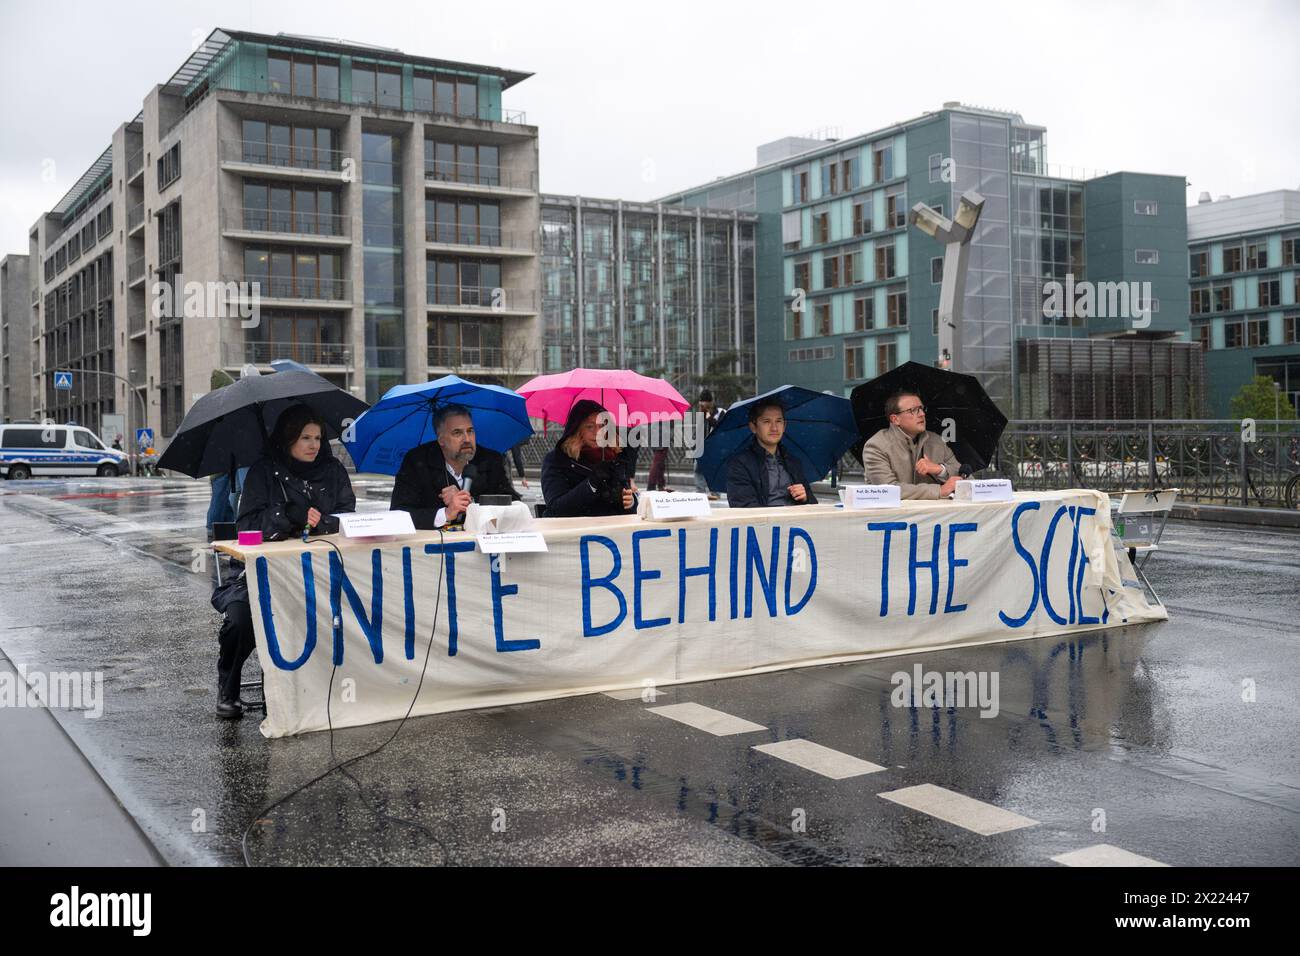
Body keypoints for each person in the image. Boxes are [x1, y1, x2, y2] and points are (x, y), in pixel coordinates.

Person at [211, 404, 356, 720]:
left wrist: (323, 523)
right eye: (305, 437)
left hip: (318, 570)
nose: (314, 445)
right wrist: (284, 516)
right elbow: (246, 528)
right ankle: (229, 683)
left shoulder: (333, 472)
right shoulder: (264, 472)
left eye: (318, 438)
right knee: (241, 619)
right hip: (262, 570)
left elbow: (348, 518)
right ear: (289, 438)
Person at [390, 404, 521, 530]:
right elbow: (398, 514)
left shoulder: (490, 460)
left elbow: (515, 506)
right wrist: (445, 513)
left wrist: (471, 504)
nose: (467, 439)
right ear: (441, 440)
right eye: (457, 433)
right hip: (433, 548)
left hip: (480, 547)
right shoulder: (417, 461)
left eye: (470, 431)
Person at [541, 399, 639, 517]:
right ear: (578, 429)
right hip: (573, 531)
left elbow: (628, 510)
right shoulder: (557, 459)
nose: (598, 432)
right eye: (589, 427)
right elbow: (556, 508)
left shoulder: (615, 456)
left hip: (609, 531)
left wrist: (630, 502)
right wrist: (591, 483)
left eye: (602, 426)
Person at [862, 390, 962, 499]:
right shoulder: (876, 446)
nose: (922, 414)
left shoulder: (937, 441)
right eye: (913, 410)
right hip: (893, 515)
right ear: (895, 419)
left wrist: (940, 470)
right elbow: (888, 490)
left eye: (921, 409)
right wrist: (939, 491)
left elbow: (966, 479)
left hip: (936, 514)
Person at [725, 397, 818, 507]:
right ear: (753, 427)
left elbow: (813, 504)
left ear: (784, 426)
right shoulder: (740, 464)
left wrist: (805, 497)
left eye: (779, 421)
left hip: (795, 522)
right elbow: (743, 506)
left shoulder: (793, 462)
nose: (774, 428)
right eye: (766, 421)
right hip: (765, 523)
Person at [692, 389, 722, 499]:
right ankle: (700, 492)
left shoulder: (719, 412)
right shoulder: (700, 413)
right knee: (698, 469)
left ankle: (716, 493)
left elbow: (719, 426)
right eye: (701, 404)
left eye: (705, 404)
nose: (703, 407)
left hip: (714, 446)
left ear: (710, 403)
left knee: (714, 470)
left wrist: (708, 416)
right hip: (701, 446)